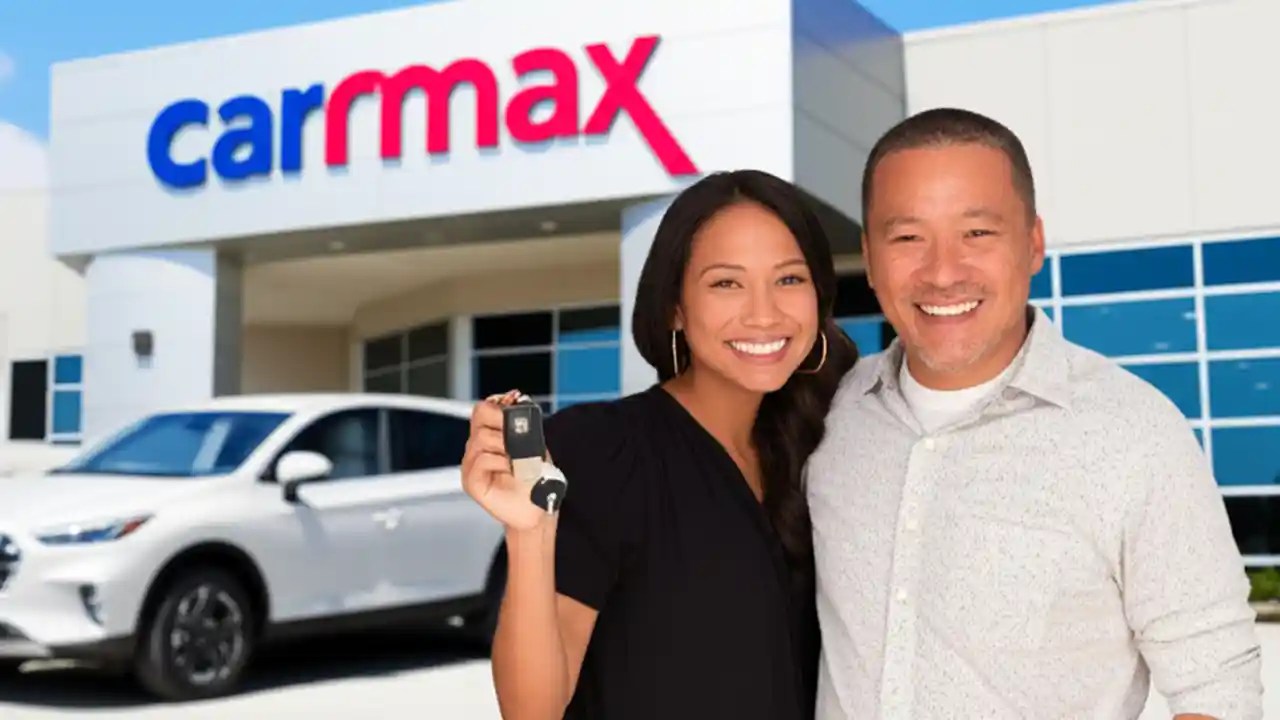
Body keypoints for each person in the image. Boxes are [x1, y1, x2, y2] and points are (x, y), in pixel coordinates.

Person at [806, 107, 1264, 719]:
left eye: (977, 233)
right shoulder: (829, 415)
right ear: (869, 254)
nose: (943, 271)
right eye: (908, 237)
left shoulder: (1133, 434)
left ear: (1034, 244)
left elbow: (1217, 689)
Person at [460, 169, 858, 719]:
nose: (764, 313)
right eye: (726, 283)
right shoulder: (604, 452)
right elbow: (533, 711)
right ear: (675, 305)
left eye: (789, 279)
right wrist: (530, 534)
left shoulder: (822, 446)